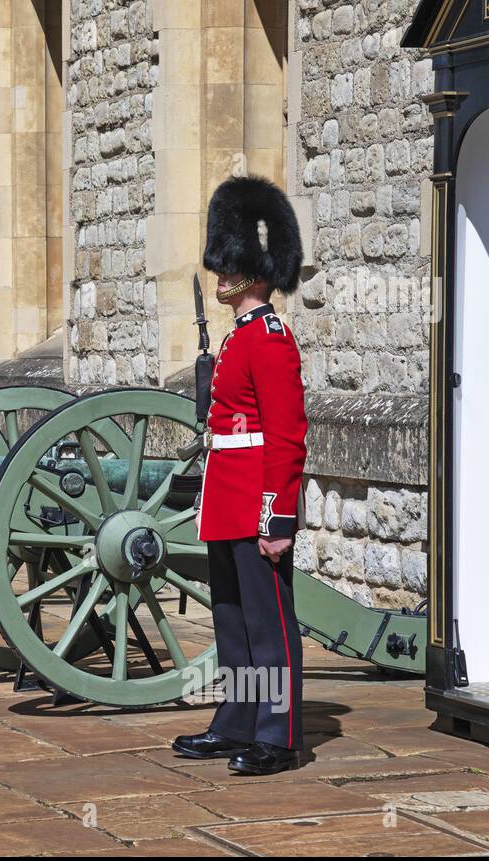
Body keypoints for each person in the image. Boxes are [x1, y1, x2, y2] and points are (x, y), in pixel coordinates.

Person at [172, 175, 309, 776]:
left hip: (256, 497)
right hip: (227, 494)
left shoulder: (272, 340)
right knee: (230, 616)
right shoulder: (239, 338)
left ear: (253, 272)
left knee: (267, 622)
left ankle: (276, 736)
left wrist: (277, 514)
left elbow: (286, 436)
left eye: (229, 267)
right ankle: (238, 719)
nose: (219, 277)